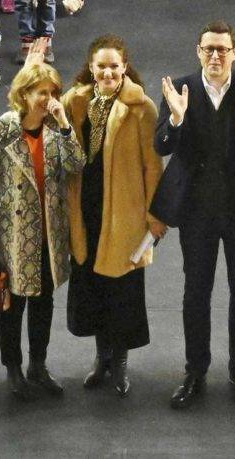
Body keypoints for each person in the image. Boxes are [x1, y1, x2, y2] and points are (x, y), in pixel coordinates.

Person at [151, 21, 235, 408]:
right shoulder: (179, 91)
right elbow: (161, 145)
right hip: (197, 213)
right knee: (195, 293)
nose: (216, 56)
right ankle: (195, 371)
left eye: (223, 49)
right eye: (209, 49)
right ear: (198, 51)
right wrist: (175, 119)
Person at [0, 59, 84, 401]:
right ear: (24, 94)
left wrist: (65, 125)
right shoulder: (0, 130)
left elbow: (77, 165)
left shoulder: (57, 130)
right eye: (41, 93)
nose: (48, 99)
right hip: (12, 233)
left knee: (43, 302)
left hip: (49, 233)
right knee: (10, 303)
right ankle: (13, 368)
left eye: (53, 93)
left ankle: (38, 364)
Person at [64, 34, 166, 394]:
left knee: (122, 289)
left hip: (125, 212)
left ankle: (120, 362)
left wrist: (156, 217)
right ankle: (101, 357)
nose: (108, 72)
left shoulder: (143, 109)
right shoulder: (73, 103)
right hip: (86, 211)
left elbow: (153, 168)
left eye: (114, 66)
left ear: (125, 67)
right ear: (91, 68)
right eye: (101, 65)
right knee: (92, 284)